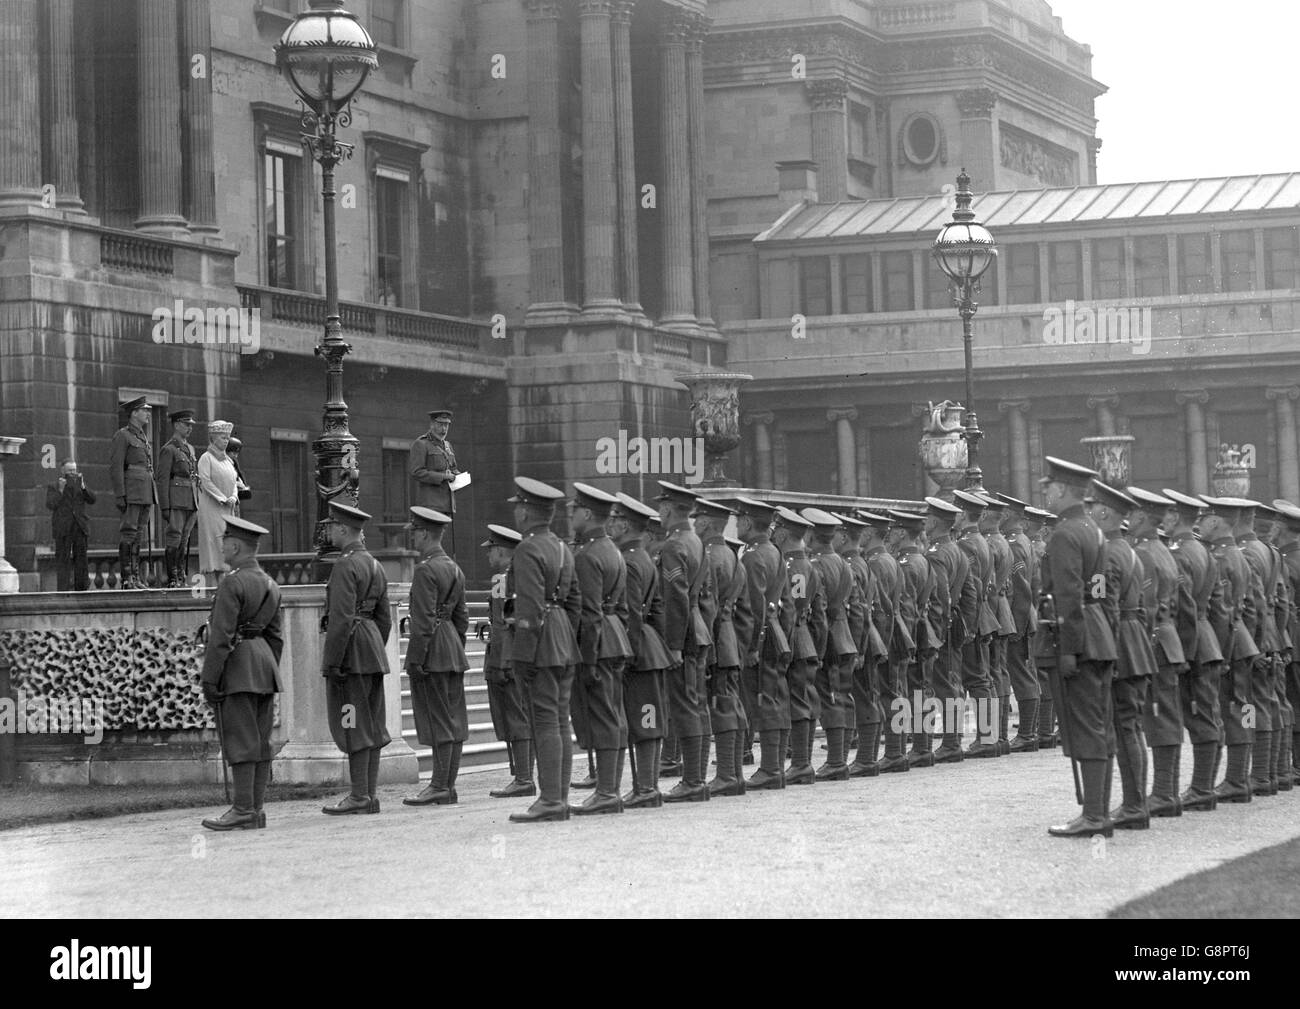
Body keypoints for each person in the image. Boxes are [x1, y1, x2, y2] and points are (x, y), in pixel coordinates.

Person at [1036, 456, 1117, 839]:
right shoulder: (1094, 531)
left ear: (1065, 490)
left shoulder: (1065, 533)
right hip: (1097, 633)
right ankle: (1097, 811)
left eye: (1049, 487)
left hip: (1078, 640)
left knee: (1085, 726)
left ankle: (1094, 815)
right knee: (1097, 724)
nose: (1045, 492)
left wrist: (1068, 647)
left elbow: (1068, 593)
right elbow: (1098, 587)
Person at [199, 516, 283, 831]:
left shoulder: (232, 583)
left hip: (237, 669)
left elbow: (221, 637)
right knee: (260, 742)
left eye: (224, 541)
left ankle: (243, 809)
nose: (221, 545)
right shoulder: (271, 584)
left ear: (235, 546)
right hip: (264, 667)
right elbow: (276, 638)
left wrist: (210, 678)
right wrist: (265, 667)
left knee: (240, 741)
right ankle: (256, 810)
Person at [507, 476, 581, 823]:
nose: (517, 513)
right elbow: (576, 602)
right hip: (563, 637)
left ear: (526, 512)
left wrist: (522, 657)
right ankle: (558, 796)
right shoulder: (563, 547)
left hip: (542, 641)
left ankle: (550, 799)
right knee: (560, 719)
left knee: (545, 719)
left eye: (519, 506)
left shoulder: (528, 549)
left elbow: (530, 610)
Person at [1089, 480, 1158, 830]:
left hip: (1119, 647)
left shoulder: (1107, 553)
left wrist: (1106, 654)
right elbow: (1141, 609)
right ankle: (1136, 803)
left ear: (1103, 513)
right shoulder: (1128, 549)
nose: (1089, 515)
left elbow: (1106, 608)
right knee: (1130, 726)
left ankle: (1133, 806)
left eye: (1093, 510)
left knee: (1124, 727)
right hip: (1135, 645)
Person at [320, 501, 392, 816]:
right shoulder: (375, 564)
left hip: (351, 654)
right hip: (373, 649)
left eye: (332, 525)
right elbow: (385, 618)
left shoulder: (345, 565)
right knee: (372, 724)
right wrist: (373, 644)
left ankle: (359, 795)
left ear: (344, 529)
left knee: (351, 722)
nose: (328, 530)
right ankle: (368, 794)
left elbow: (340, 619)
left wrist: (332, 661)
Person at [569, 482, 633, 815]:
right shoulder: (613, 550)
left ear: (588, 514)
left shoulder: (589, 555)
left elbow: (589, 613)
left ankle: (607, 791)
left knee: (605, 716)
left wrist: (588, 658)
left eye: (575, 509)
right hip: (615, 637)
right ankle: (609, 789)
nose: (571, 513)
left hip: (599, 644)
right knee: (614, 715)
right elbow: (619, 608)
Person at [1162, 489, 1226, 811]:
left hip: (1193, 645)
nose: (1164, 518)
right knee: (1208, 712)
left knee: (1199, 715)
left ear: (1174, 517)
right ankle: (1205, 787)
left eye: (1167, 513)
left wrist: (1183, 655)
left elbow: (1184, 609)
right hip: (1208, 640)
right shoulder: (1204, 551)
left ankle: (1202, 789)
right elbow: (1219, 606)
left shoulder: (1180, 554)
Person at [402, 507, 470, 806]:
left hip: (434, 651)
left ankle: (440, 785)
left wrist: (415, 658)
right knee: (454, 720)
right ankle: (447, 786)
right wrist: (455, 646)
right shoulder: (454, 567)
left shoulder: (426, 569)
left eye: (415, 532)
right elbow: (462, 617)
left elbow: (423, 620)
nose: (413, 537)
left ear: (426, 533)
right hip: (452, 647)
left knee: (439, 720)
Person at [1126, 487, 1187, 816]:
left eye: (1131, 514)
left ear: (1139, 516)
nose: (1128, 520)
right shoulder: (1162, 548)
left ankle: (1164, 792)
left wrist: (1141, 648)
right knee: (1167, 714)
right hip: (1168, 640)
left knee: (1158, 716)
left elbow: (1146, 608)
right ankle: (1169, 790)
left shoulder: (1145, 553)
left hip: (1155, 643)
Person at [1198, 496, 1260, 804]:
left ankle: (1236, 779)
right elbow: (1253, 606)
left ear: (1215, 521)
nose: (1200, 524)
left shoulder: (1221, 557)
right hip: (1243, 639)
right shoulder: (1236, 553)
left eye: (1204, 519)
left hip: (1229, 642)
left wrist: (1219, 653)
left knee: (1231, 709)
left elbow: (1220, 612)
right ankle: (1241, 776)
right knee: (1244, 707)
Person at [655, 480, 713, 802]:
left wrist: (674, 643)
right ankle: (697, 777)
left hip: (684, 633)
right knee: (697, 703)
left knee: (685, 706)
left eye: (660, 507)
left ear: (667, 509)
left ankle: (692, 781)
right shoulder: (696, 541)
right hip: (698, 628)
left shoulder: (673, 546)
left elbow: (675, 597)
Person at [613, 492, 672, 808]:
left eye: (615, 519)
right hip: (651, 646)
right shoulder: (645, 558)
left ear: (625, 525)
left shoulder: (630, 561)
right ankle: (646, 785)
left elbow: (633, 613)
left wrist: (630, 652)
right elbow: (658, 609)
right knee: (648, 715)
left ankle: (646, 787)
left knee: (644, 717)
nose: (611, 524)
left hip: (640, 648)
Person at [735, 496, 791, 789]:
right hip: (776, 632)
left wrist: (751, 646)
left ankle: (770, 769)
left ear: (747, 522)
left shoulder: (753, 556)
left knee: (765, 701)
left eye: (739, 519)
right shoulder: (775, 552)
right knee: (776, 698)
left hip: (761, 636)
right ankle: (775, 766)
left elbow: (754, 606)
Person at [696, 498, 748, 795]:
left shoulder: (712, 556)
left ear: (705, 522)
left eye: (698, 519)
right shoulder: (730, 556)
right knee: (731, 702)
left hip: (716, 635)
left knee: (722, 703)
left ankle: (727, 774)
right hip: (729, 636)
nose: (695, 524)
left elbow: (709, 607)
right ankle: (734, 773)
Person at [481, 523, 536, 798]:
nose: (488, 556)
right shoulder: (518, 576)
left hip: (509, 656)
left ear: (501, 551)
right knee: (520, 715)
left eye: (490, 550)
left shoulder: (502, 579)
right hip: (520, 654)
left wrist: (501, 663)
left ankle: (524, 778)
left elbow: (502, 624)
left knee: (516, 717)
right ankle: (523, 775)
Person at [804, 508, 856, 781]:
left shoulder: (816, 566)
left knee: (829, 700)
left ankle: (836, 762)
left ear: (812, 535)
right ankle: (840, 759)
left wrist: (819, 650)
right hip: (844, 636)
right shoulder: (842, 562)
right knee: (842, 698)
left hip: (828, 640)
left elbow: (819, 612)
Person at [774, 506, 821, 785]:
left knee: (798, 701)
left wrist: (786, 643)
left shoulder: (796, 566)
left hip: (795, 637)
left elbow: (796, 606)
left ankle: (802, 763)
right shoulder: (806, 563)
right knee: (801, 699)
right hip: (804, 638)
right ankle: (800, 761)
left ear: (781, 534)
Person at [926, 497, 973, 764]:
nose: (924, 522)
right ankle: (952, 741)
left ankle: (951, 743)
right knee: (952, 682)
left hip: (940, 625)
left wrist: (935, 630)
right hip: (954, 623)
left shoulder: (936, 554)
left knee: (943, 684)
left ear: (934, 521)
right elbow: (970, 591)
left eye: (927, 518)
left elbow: (939, 596)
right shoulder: (957, 551)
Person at [996, 494, 1041, 752]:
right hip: (1023, 615)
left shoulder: (1015, 544)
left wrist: (1018, 625)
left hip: (1019, 617)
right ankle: (1029, 732)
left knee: (1021, 675)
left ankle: (1027, 734)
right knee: (1024, 673)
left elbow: (1022, 589)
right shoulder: (1022, 541)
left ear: (1007, 515)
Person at [108, 395, 157, 589]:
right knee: (129, 533)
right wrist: (120, 494)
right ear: (134, 413)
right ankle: (127, 577)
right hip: (132, 490)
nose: (147, 414)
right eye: (144, 410)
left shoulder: (142, 437)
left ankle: (136, 576)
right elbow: (116, 466)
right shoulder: (123, 435)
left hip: (144, 491)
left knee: (139, 535)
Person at [157, 409, 198, 588]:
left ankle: (180, 574)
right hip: (176, 498)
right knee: (174, 536)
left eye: (190, 425)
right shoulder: (169, 449)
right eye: (185, 424)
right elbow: (162, 479)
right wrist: (165, 506)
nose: (189, 428)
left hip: (190, 499)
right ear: (176, 425)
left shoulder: (190, 449)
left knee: (185, 538)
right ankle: (173, 577)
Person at [409, 409, 459, 553]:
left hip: (447, 503)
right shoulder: (421, 444)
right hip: (430, 504)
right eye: (440, 424)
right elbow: (416, 472)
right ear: (432, 424)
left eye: (446, 425)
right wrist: (443, 477)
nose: (444, 429)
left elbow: (453, 468)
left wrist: (457, 476)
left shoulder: (448, 446)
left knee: (441, 543)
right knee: (428, 542)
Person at [196, 421, 240, 587]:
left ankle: (225, 576)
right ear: (214, 438)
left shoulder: (228, 461)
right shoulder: (206, 459)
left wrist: (234, 497)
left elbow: (235, 481)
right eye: (223, 437)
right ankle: (215, 580)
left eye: (228, 437)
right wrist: (222, 497)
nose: (226, 441)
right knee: (215, 541)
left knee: (227, 540)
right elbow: (205, 481)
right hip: (212, 509)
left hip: (228, 509)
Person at [45, 460, 96, 591]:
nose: (73, 473)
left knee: (81, 560)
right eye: (69, 471)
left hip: (79, 527)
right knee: (63, 560)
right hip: (63, 528)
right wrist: (61, 490)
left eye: (74, 470)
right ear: (62, 471)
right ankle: (63, 590)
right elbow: (50, 504)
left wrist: (84, 487)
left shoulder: (81, 485)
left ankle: (82, 589)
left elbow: (92, 499)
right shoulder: (54, 486)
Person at [227, 436, 253, 506]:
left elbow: (239, 473)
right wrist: (236, 483)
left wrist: (243, 485)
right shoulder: (222, 462)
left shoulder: (234, 462)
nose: (236, 456)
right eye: (234, 453)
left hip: (235, 497)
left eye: (237, 453)